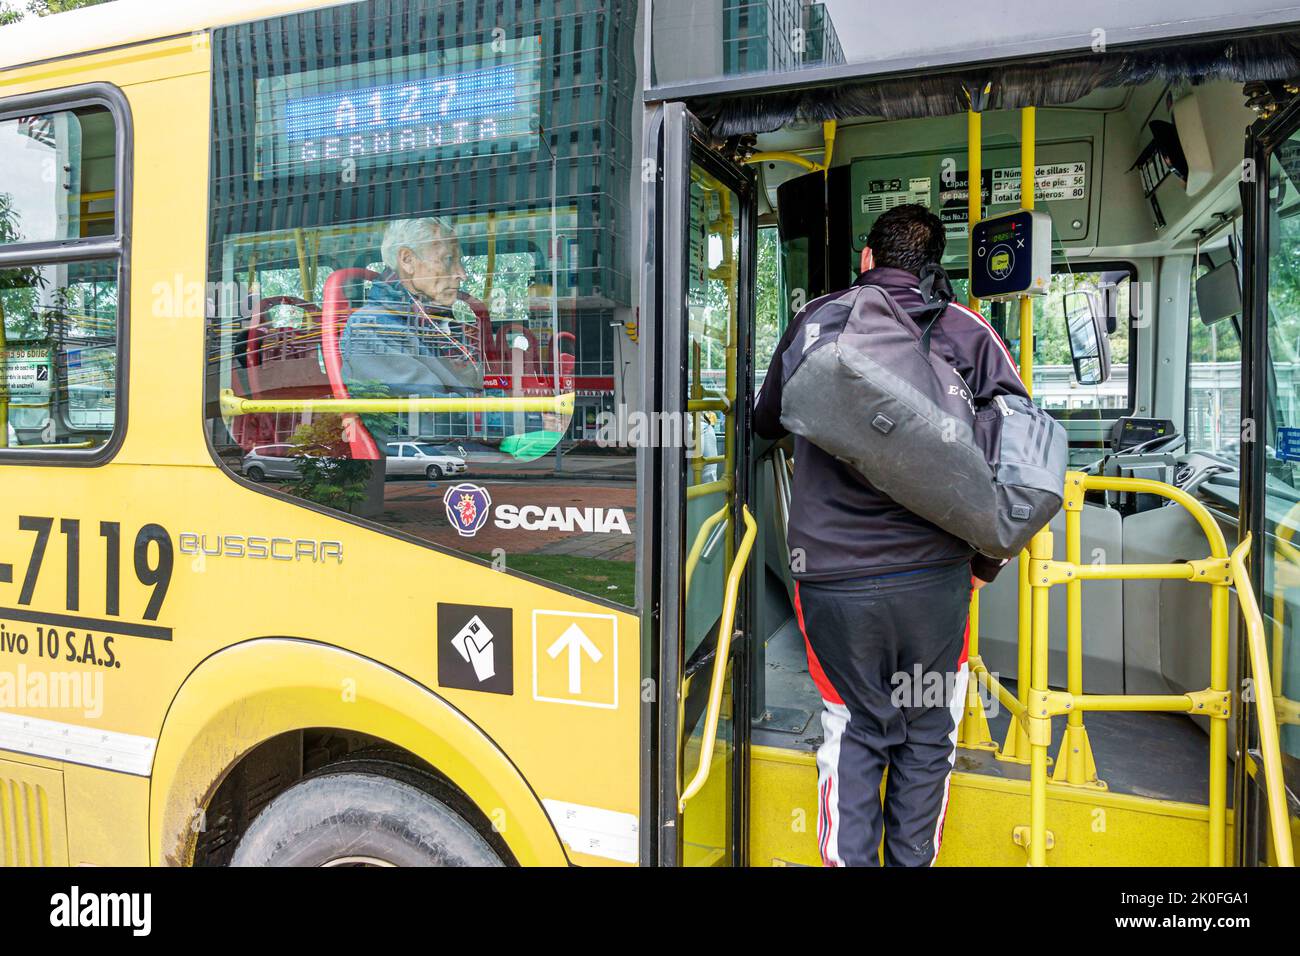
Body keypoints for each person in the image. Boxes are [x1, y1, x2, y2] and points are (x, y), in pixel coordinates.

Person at [753, 203, 1030, 867]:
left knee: (855, 727)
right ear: (934, 266)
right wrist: (983, 563)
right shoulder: (968, 330)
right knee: (928, 730)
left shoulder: (818, 318)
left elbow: (765, 421)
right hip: (936, 577)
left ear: (867, 259)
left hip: (833, 578)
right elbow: (1021, 455)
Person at [341, 217, 481, 446]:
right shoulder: (371, 327)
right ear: (407, 260)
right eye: (448, 260)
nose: (461, 274)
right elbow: (430, 417)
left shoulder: (429, 318)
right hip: (428, 452)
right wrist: (524, 418)